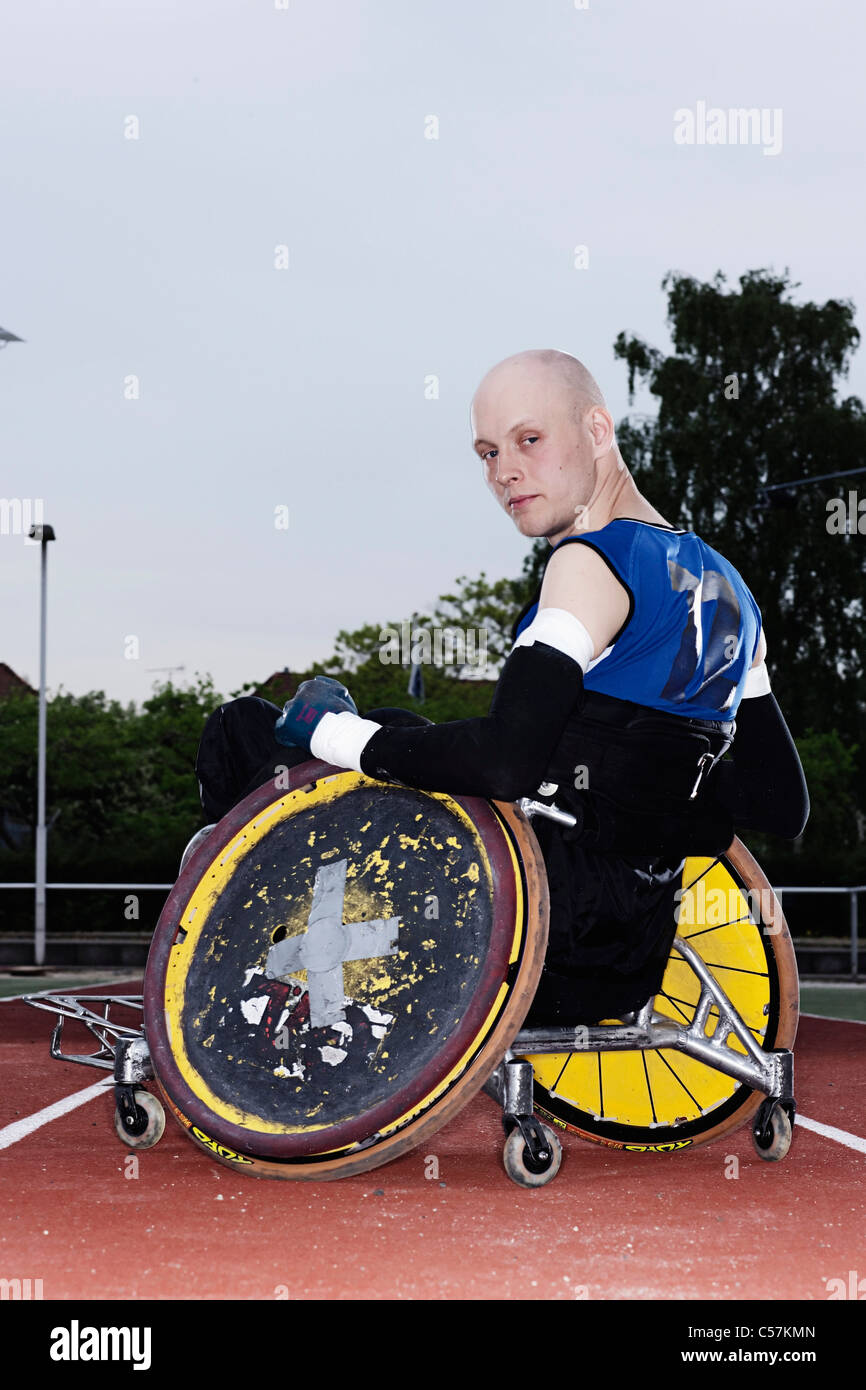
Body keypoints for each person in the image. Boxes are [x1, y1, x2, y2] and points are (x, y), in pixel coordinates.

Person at [193, 349, 809, 1023]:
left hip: (517, 932)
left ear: (599, 431)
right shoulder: (730, 591)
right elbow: (779, 805)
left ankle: (225, 967)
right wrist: (650, 815)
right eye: (487, 453)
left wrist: (330, 732)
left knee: (243, 726)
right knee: (400, 721)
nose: (504, 471)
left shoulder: (590, 563)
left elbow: (506, 761)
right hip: (621, 960)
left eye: (529, 439)